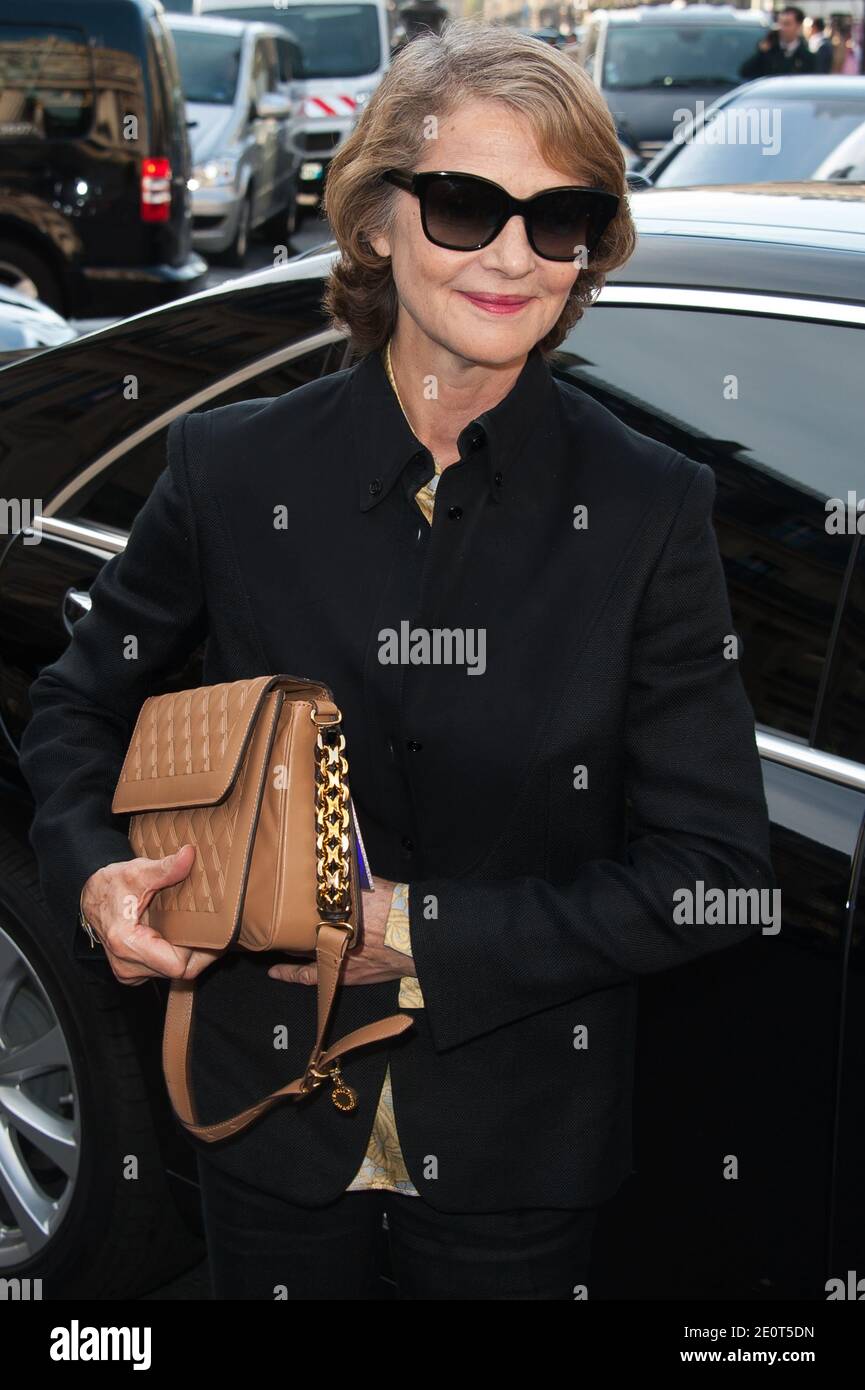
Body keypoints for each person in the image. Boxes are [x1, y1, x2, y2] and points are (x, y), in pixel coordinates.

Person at [18, 17, 774, 1301]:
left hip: (517, 1151)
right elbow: (74, 710)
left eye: (561, 218)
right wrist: (100, 884)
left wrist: (416, 931)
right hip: (264, 1120)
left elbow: (711, 872)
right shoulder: (233, 469)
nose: (514, 256)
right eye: (469, 204)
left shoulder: (647, 508)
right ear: (376, 221)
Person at [740, 5, 817, 78]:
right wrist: (761, 52)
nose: (782, 28)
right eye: (780, 23)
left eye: (787, 24)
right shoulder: (769, 50)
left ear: (799, 26)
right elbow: (745, 72)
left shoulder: (808, 56)